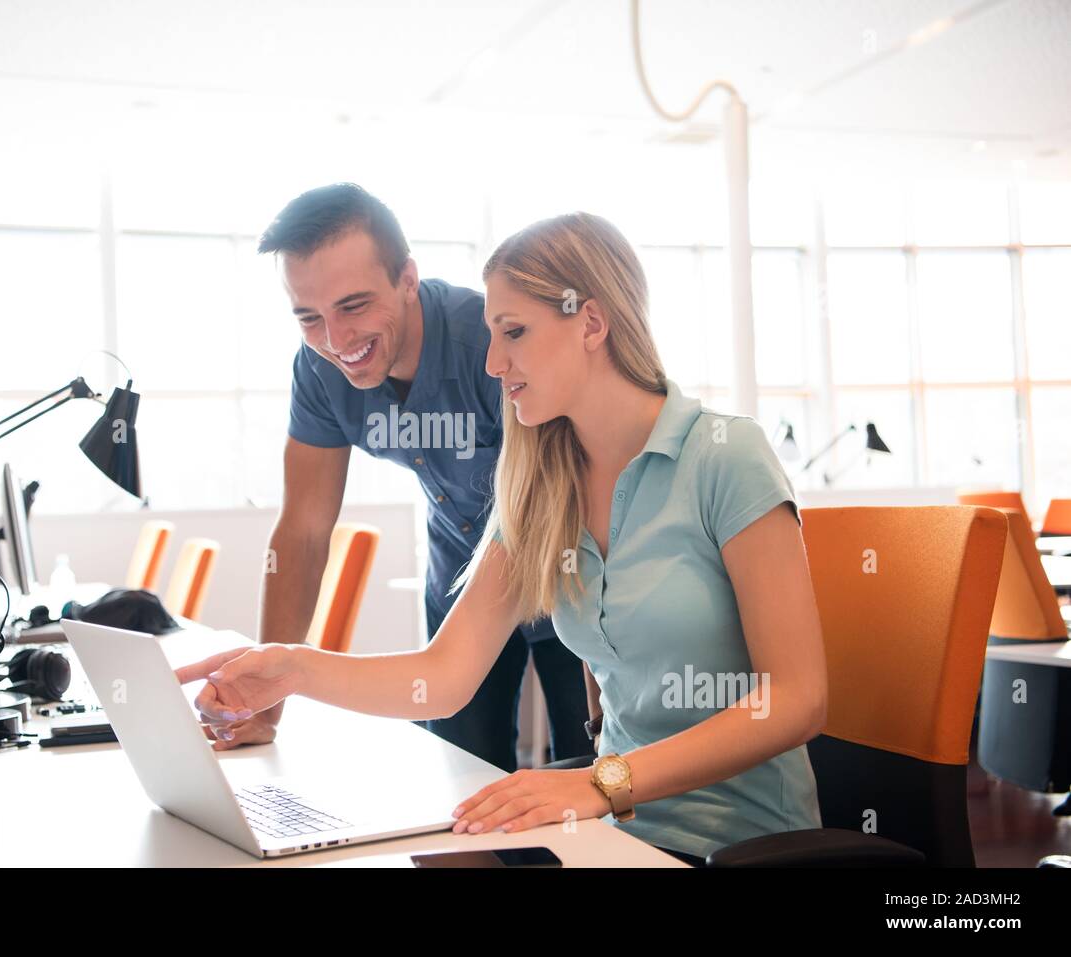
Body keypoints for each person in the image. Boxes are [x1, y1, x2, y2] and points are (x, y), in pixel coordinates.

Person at [179, 211, 827, 865]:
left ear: (592, 324)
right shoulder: (541, 485)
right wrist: (291, 668)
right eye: (491, 333)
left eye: (513, 331)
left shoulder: (724, 455)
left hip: (744, 845)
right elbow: (442, 675)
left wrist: (604, 783)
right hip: (613, 836)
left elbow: (799, 700)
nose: (492, 361)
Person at [213, 183, 593, 773]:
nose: (337, 342)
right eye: (309, 317)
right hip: (460, 577)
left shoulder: (491, 343)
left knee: (590, 770)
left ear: (407, 278)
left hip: (563, 569)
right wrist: (266, 699)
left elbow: (559, 496)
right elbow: (304, 530)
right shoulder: (319, 370)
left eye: (354, 306)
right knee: (461, 780)